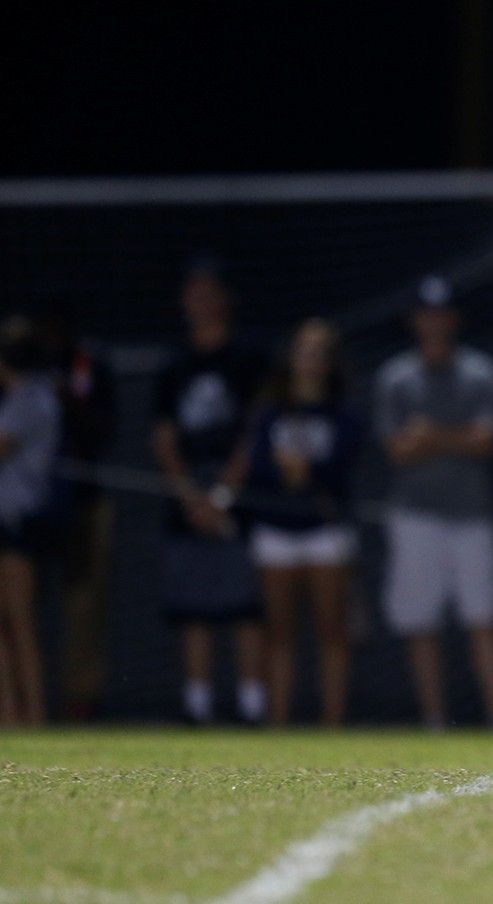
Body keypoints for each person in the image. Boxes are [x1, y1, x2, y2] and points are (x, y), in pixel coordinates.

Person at [373, 274, 493, 730]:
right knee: (420, 622)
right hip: (414, 514)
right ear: (415, 321)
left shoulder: (483, 372)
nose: (434, 323)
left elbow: (489, 441)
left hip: (473, 514)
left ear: (455, 319)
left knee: (484, 617)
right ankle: (434, 719)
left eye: (442, 314)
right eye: (426, 314)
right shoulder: (395, 377)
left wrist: (430, 435)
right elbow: (396, 449)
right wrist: (460, 437)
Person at [150, 256, 271, 726]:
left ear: (226, 297)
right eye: (193, 291)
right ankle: (196, 707)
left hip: (238, 489)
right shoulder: (172, 362)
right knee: (191, 604)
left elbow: (257, 427)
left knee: (245, 603)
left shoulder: (250, 356)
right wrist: (190, 496)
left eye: (209, 290)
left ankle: (252, 707)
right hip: (189, 490)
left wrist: (225, 491)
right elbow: (162, 436)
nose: (200, 300)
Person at [242, 317, 363, 728]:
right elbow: (255, 465)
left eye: (319, 352)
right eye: (304, 350)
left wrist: (307, 471)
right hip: (276, 530)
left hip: (325, 531)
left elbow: (345, 464)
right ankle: (278, 724)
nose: (311, 359)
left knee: (332, 633)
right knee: (279, 635)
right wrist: (281, 474)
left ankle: (333, 724)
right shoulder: (270, 410)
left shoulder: (343, 412)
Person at [32, 300, 118, 722]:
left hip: (82, 502)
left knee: (83, 607)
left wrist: (66, 399)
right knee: (17, 607)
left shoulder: (89, 365)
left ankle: (81, 702)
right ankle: (23, 706)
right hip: (22, 505)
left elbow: (105, 430)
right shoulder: (21, 372)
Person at [0, 315, 62, 725]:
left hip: (16, 520)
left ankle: (34, 717)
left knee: (19, 622)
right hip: (11, 518)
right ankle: (9, 714)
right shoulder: (32, 396)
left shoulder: (28, 400)